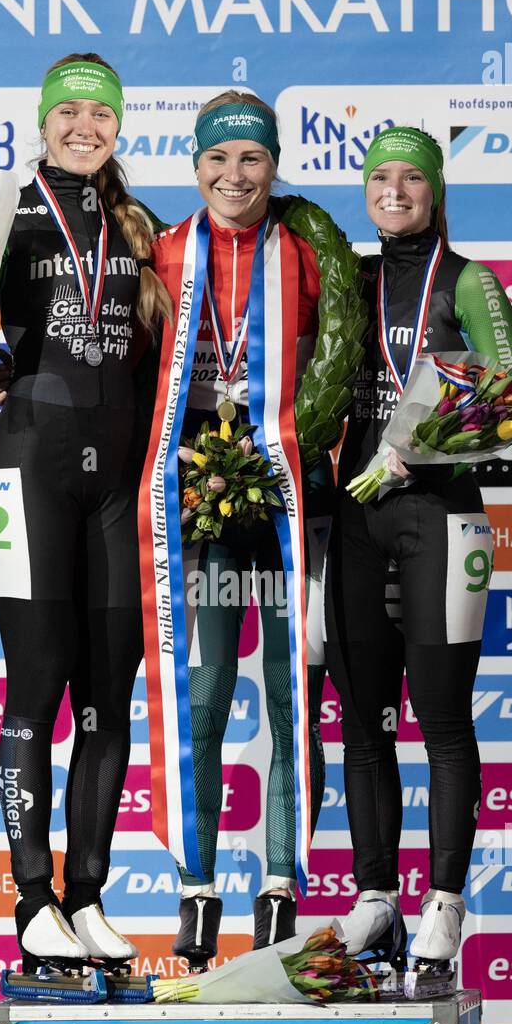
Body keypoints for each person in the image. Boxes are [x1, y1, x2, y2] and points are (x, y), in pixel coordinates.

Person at [0, 53, 171, 972]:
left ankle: (89, 895)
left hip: (118, 484)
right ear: (41, 119)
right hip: (26, 467)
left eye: (98, 114)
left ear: (116, 126)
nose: (83, 125)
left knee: (111, 697)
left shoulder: (135, 223)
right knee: (38, 683)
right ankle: (32, 898)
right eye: (67, 111)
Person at [139, 91, 361, 967]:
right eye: (219, 160)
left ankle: (279, 884)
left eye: (253, 159)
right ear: (196, 167)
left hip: (289, 507)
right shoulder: (163, 253)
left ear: (274, 166)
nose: (236, 176)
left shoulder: (307, 255)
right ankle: (195, 886)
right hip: (201, 505)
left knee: (290, 695)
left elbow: (345, 363)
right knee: (203, 696)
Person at [325, 126, 512, 991]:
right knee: (364, 719)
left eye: (413, 177)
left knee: (441, 719)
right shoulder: (357, 280)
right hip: (355, 517)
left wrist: (429, 447)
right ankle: (377, 895)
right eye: (381, 177)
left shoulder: (468, 280)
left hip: (440, 516)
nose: (396, 191)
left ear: (435, 188)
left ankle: (445, 903)